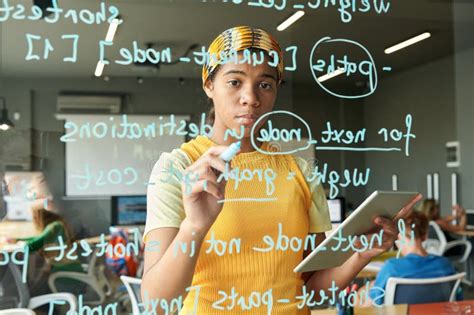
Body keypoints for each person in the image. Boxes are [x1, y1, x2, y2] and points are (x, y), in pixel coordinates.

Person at [142, 25, 421, 314]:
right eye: (235, 81)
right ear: (209, 85)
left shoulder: (300, 172)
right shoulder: (178, 168)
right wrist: (194, 227)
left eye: (265, 84)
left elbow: (311, 291)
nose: (251, 97)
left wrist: (360, 255)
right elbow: (156, 304)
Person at [367, 211, 458, 305]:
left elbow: (375, 300)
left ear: (398, 236)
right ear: (425, 235)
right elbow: (457, 297)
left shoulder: (392, 267)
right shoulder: (446, 264)